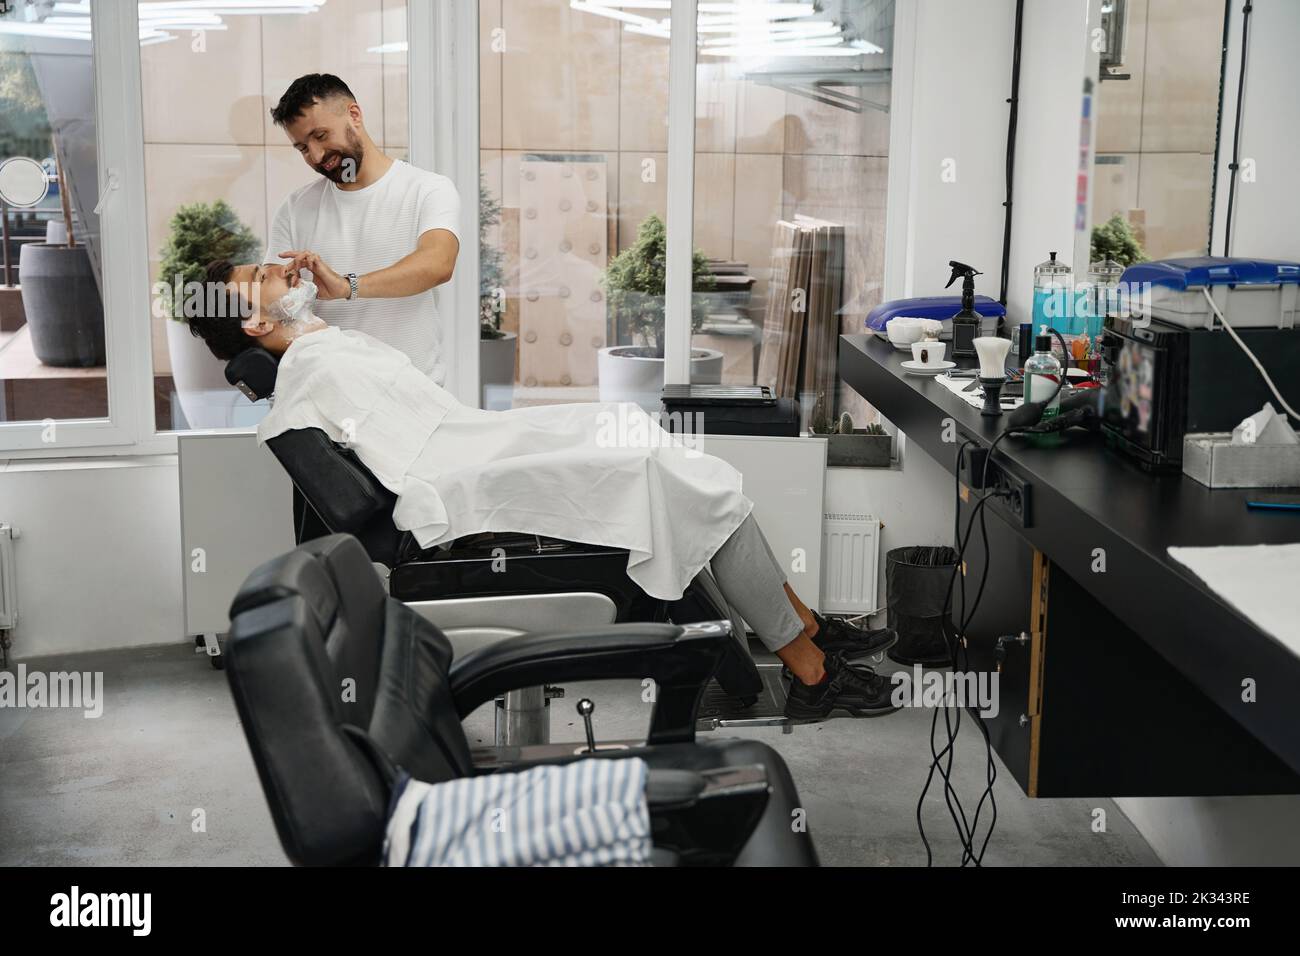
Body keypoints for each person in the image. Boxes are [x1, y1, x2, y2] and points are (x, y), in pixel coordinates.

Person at [186, 260, 900, 724]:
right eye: (261, 276)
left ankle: (803, 631)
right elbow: (402, 466)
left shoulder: (319, 346)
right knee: (660, 469)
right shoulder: (308, 378)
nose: (279, 266)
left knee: (653, 446)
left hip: (474, 443)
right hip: (460, 475)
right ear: (255, 321)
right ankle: (809, 671)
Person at [265, 73, 460, 384]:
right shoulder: (295, 209)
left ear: (353, 115)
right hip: (327, 399)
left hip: (414, 398)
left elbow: (437, 264)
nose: (316, 156)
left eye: (321, 136)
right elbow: (269, 303)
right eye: (302, 148)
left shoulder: (428, 189)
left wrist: (346, 287)